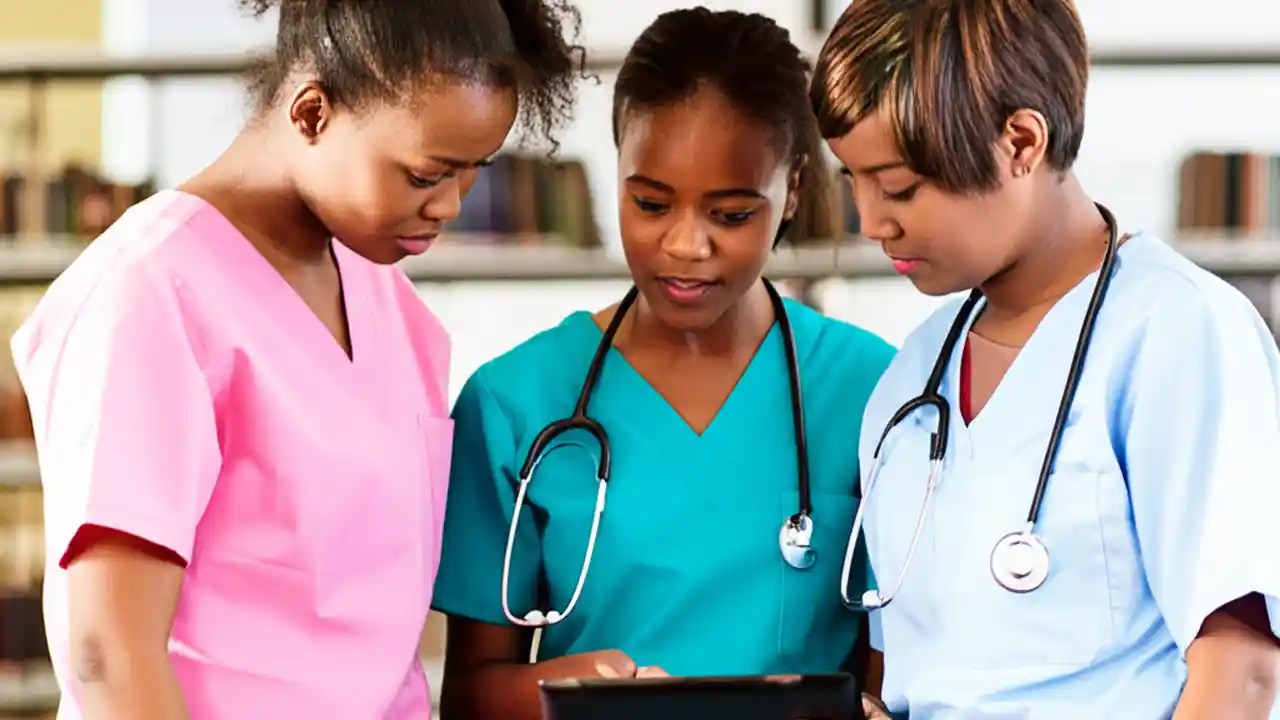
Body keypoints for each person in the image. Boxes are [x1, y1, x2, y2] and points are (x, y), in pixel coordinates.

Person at [8, 1, 584, 717]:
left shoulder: (391, 305)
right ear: (312, 114)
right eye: (425, 174)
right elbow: (109, 659)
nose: (451, 206)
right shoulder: (150, 291)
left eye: (473, 172)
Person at [810, 0, 1280, 718]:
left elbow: (1242, 671)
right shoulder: (912, 378)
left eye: (900, 187)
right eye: (854, 182)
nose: (873, 222)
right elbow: (902, 668)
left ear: (1022, 142)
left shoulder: (1177, 333)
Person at [430, 8, 896, 719]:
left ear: (794, 189)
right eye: (649, 203)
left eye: (732, 215)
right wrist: (568, 686)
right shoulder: (514, 402)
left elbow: (891, 671)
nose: (685, 245)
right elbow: (469, 694)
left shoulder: (873, 391)